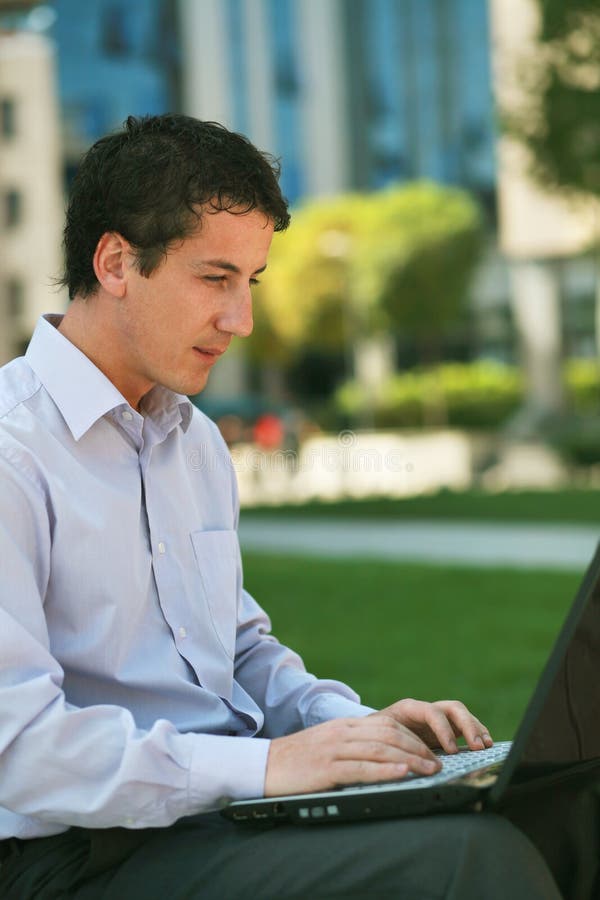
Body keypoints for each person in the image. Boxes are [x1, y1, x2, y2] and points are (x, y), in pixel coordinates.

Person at [0, 114, 570, 899]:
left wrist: (356, 728)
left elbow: (237, 656)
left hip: (211, 819)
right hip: (73, 855)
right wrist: (269, 765)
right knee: (473, 859)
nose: (242, 321)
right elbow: (21, 751)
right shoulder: (13, 452)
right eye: (215, 279)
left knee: (553, 808)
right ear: (116, 261)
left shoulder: (191, 440)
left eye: (251, 283)